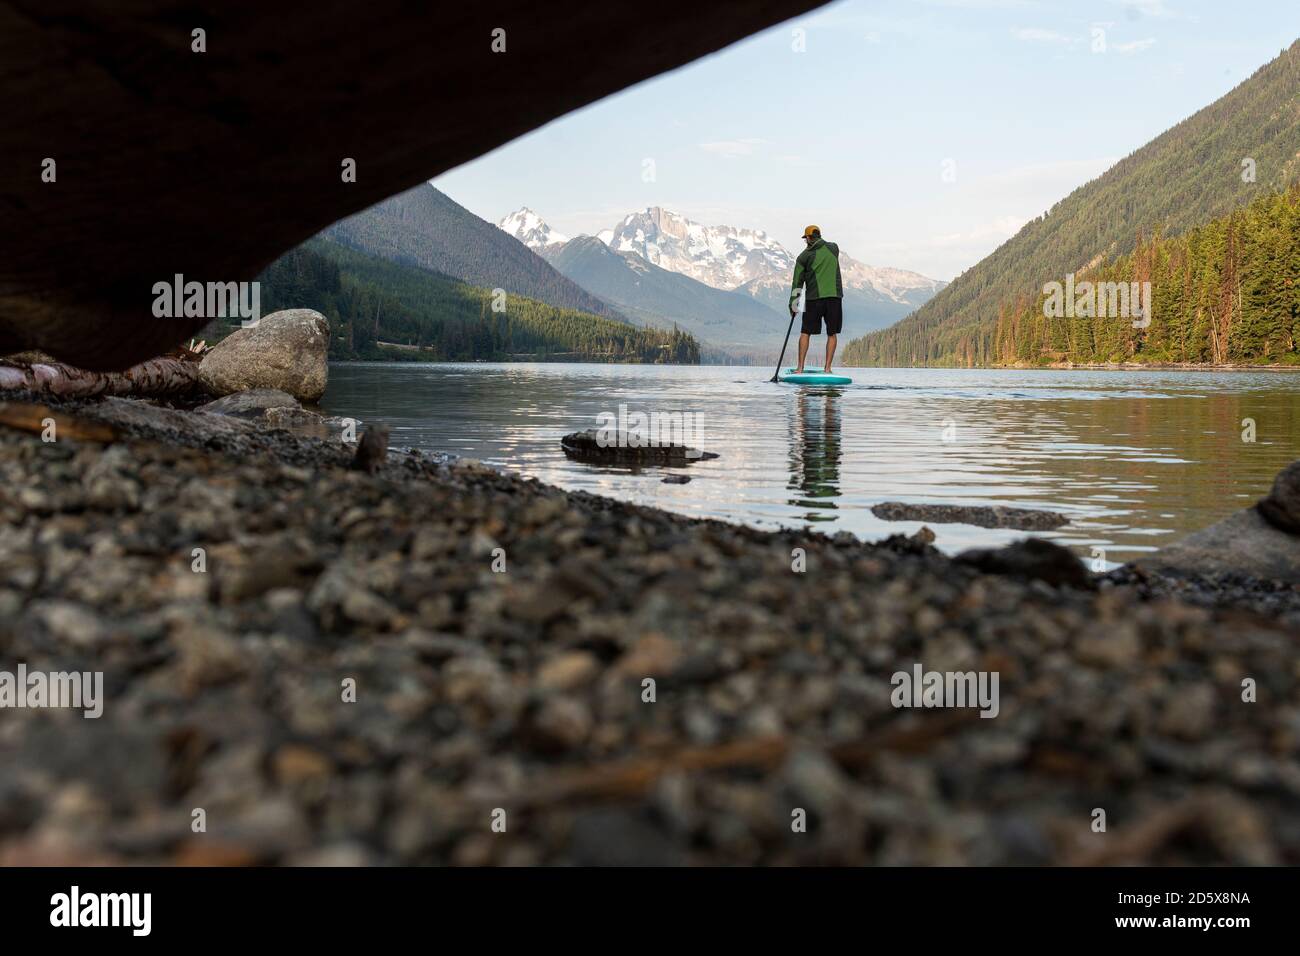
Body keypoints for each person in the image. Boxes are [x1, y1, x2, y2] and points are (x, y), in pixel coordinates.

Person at [788, 225, 843, 374]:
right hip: (834, 297)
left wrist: (793, 304)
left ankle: (800, 368)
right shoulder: (834, 248)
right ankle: (828, 369)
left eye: (806, 238)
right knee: (832, 333)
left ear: (809, 238)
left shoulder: (803, 257)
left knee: (805, 332)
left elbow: (797, 282)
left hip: (814, 299)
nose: (805, 241)